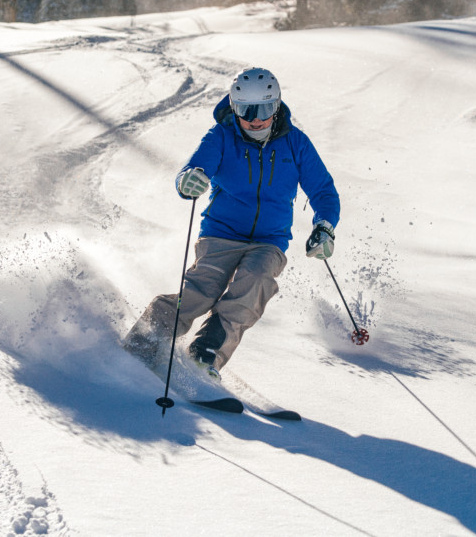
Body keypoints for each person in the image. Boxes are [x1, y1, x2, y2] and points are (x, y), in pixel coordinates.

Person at [124, 67, 340, 379]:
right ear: (233, 107)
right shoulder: (222, 137)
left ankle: (206, 353)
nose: (256, 118)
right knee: (202, 291)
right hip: (220, 234)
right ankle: (144, 340)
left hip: (269, 240)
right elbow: (195, 167)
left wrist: (324, 226)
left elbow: (323, 192)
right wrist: (189, 180)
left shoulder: (296, 144)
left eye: (264, 109)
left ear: (277, 106)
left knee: (255, 281)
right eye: (246, 110)